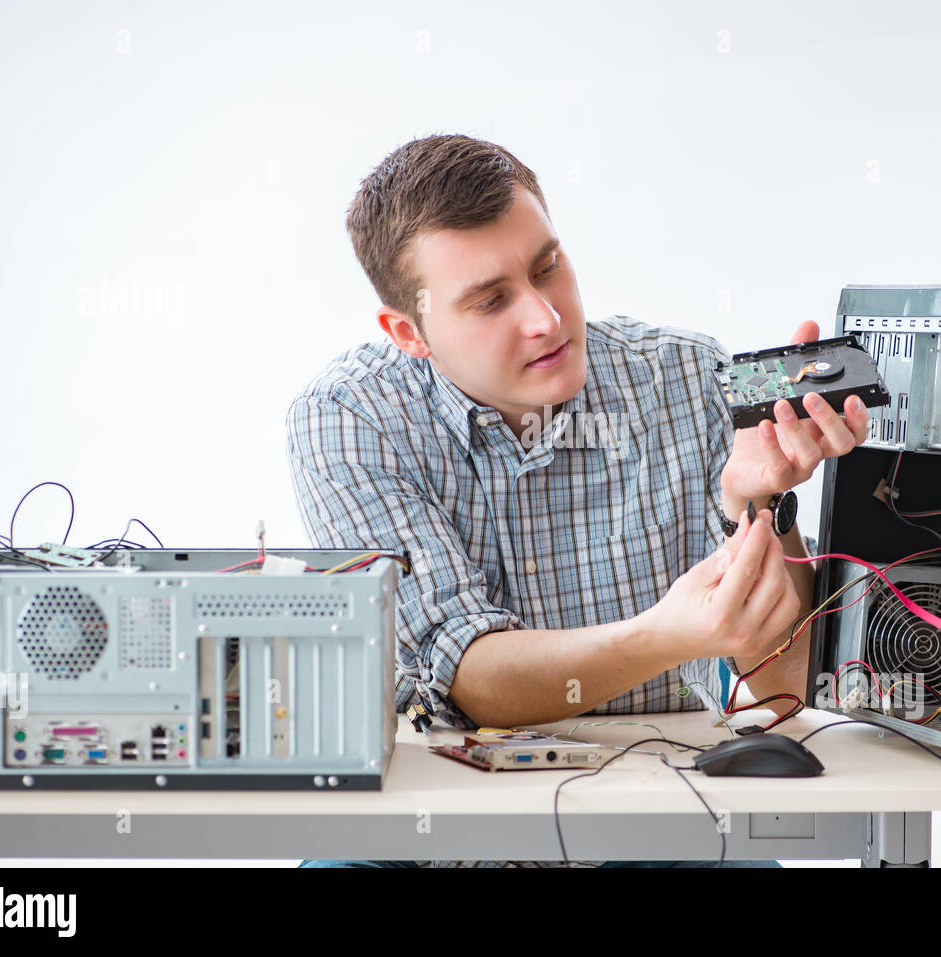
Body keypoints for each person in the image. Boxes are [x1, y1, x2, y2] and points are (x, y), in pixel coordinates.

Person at [287, 134, 869, 867]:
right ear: (409, 332)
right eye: (491, 299)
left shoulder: (685, 375)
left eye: (547, 267)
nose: (545, 319)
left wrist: (756, 507)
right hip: (437, 828)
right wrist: (670, 634)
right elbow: (471, 674)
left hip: (659, 818)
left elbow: (787, 685)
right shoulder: (349, 418)